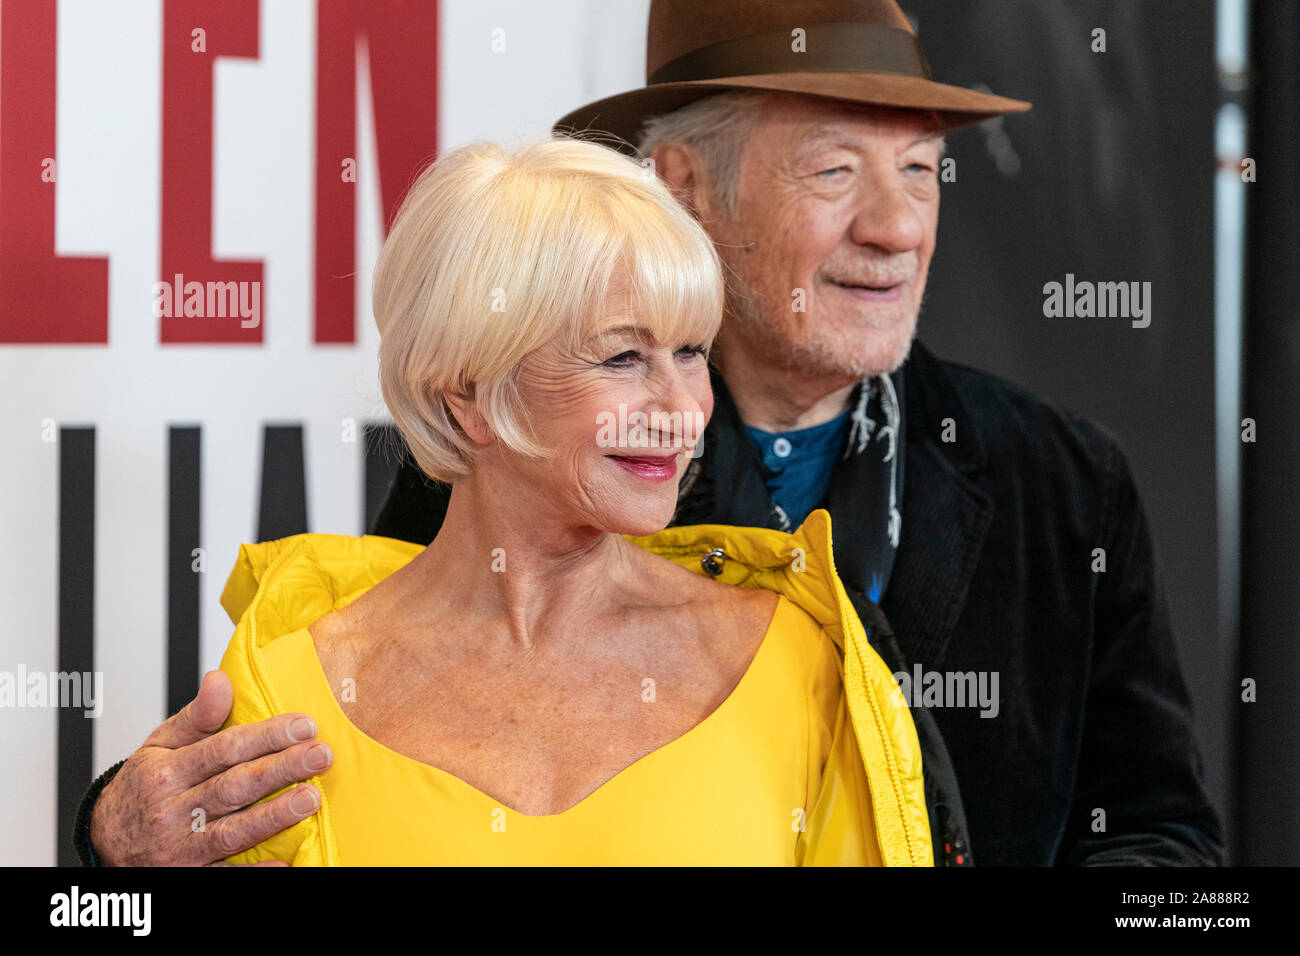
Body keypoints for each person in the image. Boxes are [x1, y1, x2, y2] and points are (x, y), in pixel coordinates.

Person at [75, 0, 1223, 867]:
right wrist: (115, 834)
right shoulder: (524, 444)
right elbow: (332, 741)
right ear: (680, 184)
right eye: (836, 171)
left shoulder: (1065, 481)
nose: (895, 227)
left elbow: (1166, 841)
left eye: (921, 172)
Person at [116, 136, 934, 866]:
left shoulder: (801, 663)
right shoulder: (285, 689)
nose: (682, 408)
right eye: (621, 358)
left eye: (690, 352)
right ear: (469, 392)